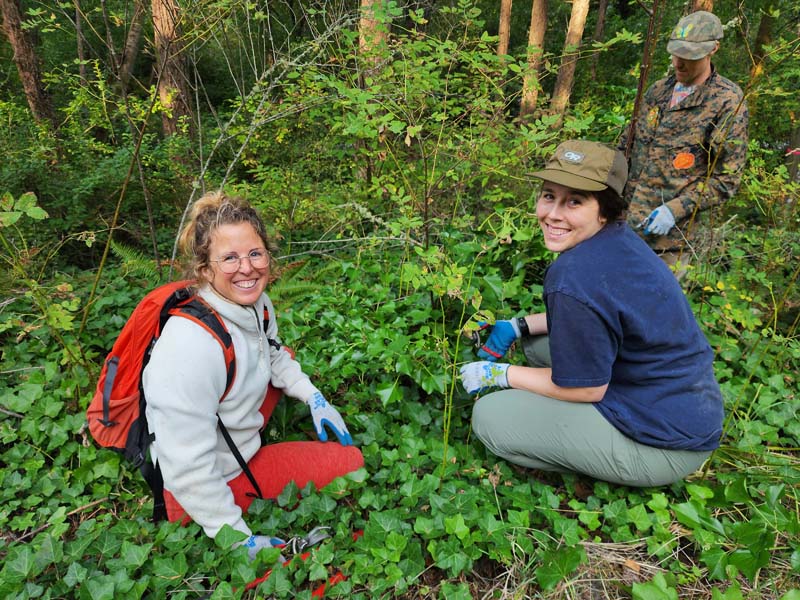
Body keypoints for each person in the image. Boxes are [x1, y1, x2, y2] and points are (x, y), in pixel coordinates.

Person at [460, 140, 724, 487]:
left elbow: (590, 391)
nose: (553, 213)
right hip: (686, 404)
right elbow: (601, 315)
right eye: (549, 195)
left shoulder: (573, 275)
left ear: (604, 209)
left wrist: (500, 374)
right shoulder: (618, 241)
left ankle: (597, 456)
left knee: (491, 418)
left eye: (575, 201)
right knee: (539, 345)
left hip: (663, 445)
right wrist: (518, 326)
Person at [142, 192, 364, 558]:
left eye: (255, 253)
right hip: (202, 488)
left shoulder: (255, 304)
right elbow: (186, 468)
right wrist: (235, 537)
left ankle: (257, 437)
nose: (247, 268)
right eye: (229, 258)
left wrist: (313, 397)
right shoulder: (189, 347)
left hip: (234, 441)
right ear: (204, 269)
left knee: (283, 355)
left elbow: (273, 352)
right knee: (351, 463)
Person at [619, 10, 748, 265]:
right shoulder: (659, 91)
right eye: (676, 53)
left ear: (713, 49)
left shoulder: (727, 101)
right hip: (620, 228)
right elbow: (626, 144)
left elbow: (726, 180)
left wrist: (674, 209)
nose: (679, 63)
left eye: (689, 56)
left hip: (666, 245)